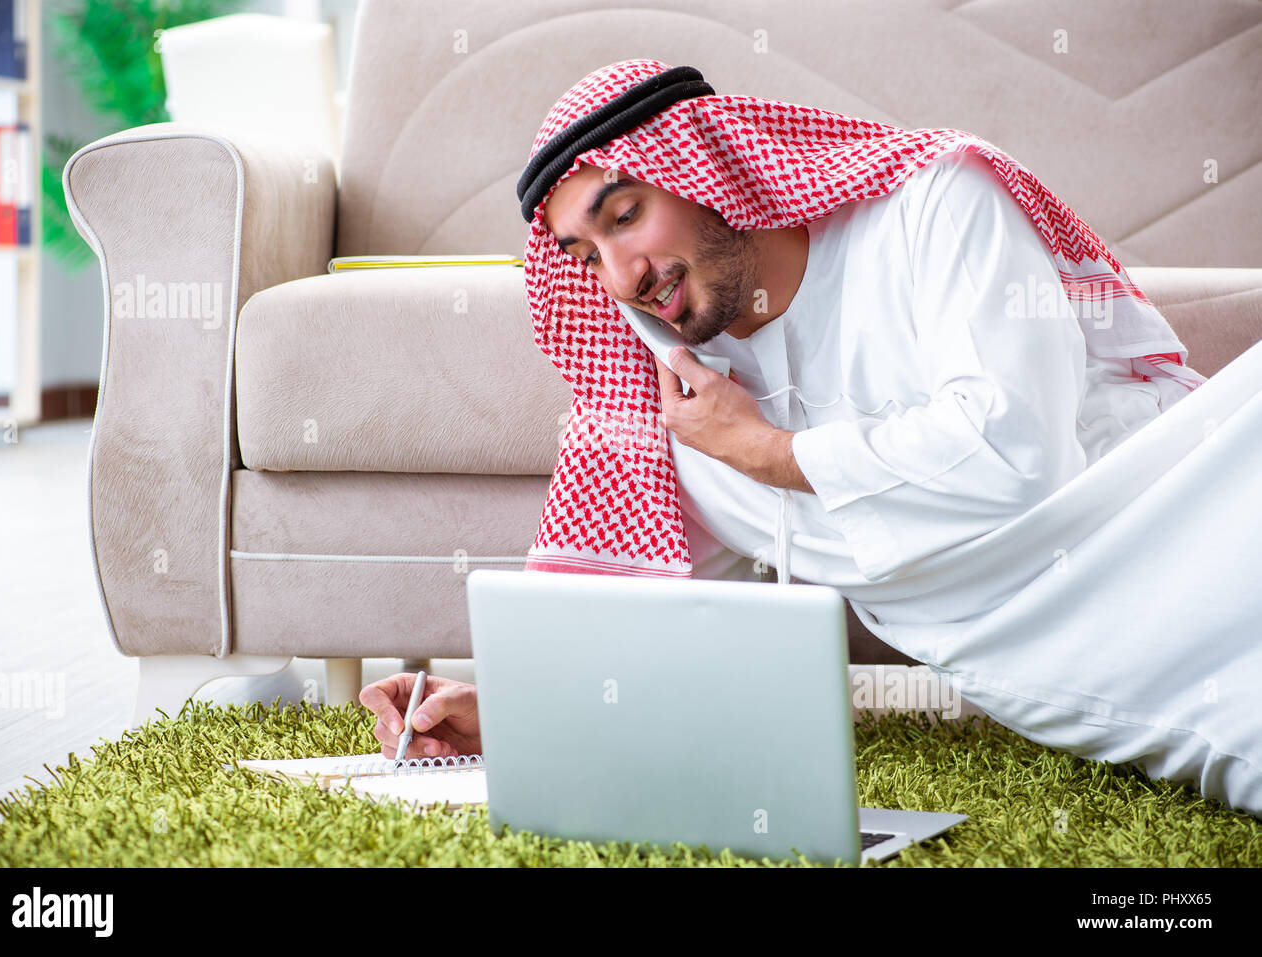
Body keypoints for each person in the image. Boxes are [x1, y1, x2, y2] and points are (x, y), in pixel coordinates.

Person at [362, 60, 1262, 817]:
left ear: (708, 166)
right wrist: (504, 711)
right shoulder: (683, 410)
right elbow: (647, 628)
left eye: (626, 214)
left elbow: (1017, 459)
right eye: (587, 256)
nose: (623, 276)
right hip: (1094, 681)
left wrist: (771, 452)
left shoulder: (935, 205)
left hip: (1187, 509)